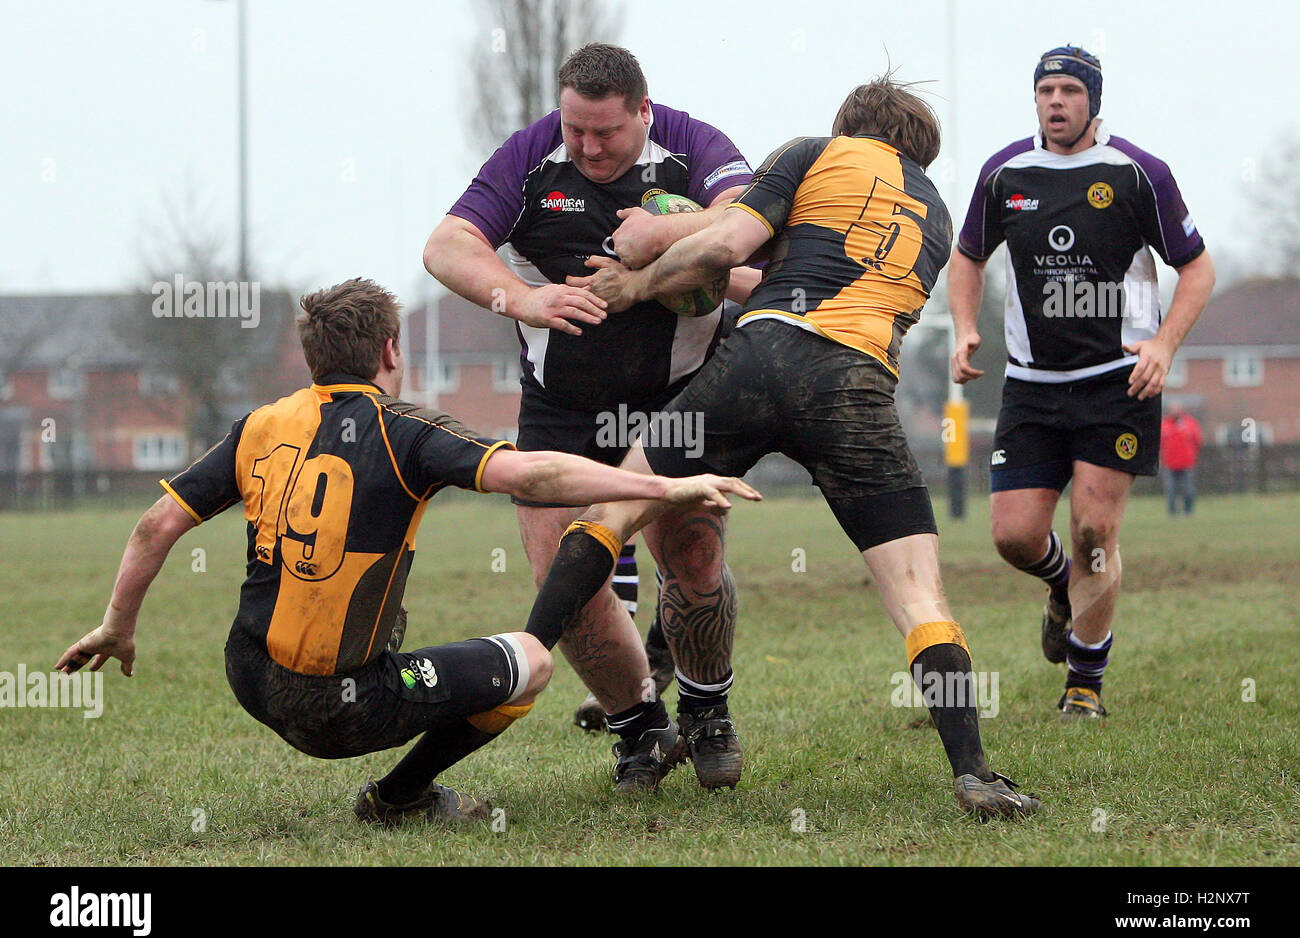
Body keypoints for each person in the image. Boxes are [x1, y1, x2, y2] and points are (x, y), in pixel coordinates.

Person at [523, 75, 1043, 818]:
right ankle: (973, 770)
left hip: (757, 360)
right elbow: (830, 279)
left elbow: (724, 250)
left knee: (612, 512)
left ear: (851, 127)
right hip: (855, 389)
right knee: (920, 595)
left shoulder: (815, 152)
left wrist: (633, 286)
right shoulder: (935, 213)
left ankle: (523, 655)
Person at [54, 278, 757, 826]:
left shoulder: (260, 425)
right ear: (391, 351)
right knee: (532, 663)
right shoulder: (407, 431)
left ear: (312, 359)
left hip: (249, 676)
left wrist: (118, 624)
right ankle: (400, 798)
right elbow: (536, 474)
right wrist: (660, 483)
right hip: (341, 708)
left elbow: (155, 526)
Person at [424, 43, 761, 791]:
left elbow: (748, 220)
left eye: (605, 132)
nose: (586, 147)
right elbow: (446, 246)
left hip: (680, 399)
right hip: (562, 406)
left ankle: (707, 710)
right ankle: (639, 727)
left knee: (695, 557)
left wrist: (659, 243)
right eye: (575, 129)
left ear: (644, 111)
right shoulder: (532, 156)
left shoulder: (694, 145)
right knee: (564, 578)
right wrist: (522, 298)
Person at [948, 46, 1215, 718]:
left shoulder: (1136, 173)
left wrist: (1162, 344)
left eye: (1069, 90)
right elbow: (966, 258)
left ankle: (1083, 687)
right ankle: (1059, 584)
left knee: (1096, 531)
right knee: (1013, 535)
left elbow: (1198, 269)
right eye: (1045, 91)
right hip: (1031, 386)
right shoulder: (1004, 172)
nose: (1055, 102)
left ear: (1094, 100)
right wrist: (962, 328)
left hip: (1115, 384)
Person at [1160, 403, 1203, 516]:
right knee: (1170, 490)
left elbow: (1197, 441)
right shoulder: (1164, 424)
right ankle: (1172, 513)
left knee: (1189, 490)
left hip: (1187, 463)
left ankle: (1188, 511)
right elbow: (1160, 443)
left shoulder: (1191, 423)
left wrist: (1193, 455)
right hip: (1169, 464)